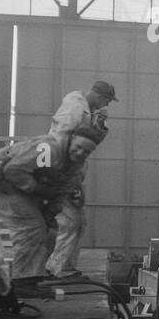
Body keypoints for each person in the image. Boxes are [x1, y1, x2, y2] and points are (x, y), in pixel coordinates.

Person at [0, 130, 100, 283]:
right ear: (69, 141)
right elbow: (13, 171)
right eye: (78, 147)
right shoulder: (50, 150)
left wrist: (48, 216)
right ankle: (15, 280)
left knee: (49, 232)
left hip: (21, 188)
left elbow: (61, 195)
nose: (80, 153)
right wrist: (36, 189)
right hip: (2, 182)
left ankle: (31, 277)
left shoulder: (74, 167)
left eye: (86, 151)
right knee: (32, 228)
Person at [44, 80, 115, 278]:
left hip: (68, 171)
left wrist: (99, 126)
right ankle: (56, 269)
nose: (106, 106)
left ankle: (63, 267)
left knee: (76, 222)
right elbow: (60, 139)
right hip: (62, 171)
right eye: (107, 101)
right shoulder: (75, 108)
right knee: (70, 222)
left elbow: (87, 139)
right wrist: (67, 176)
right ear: (101, 97)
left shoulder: (85, 111)